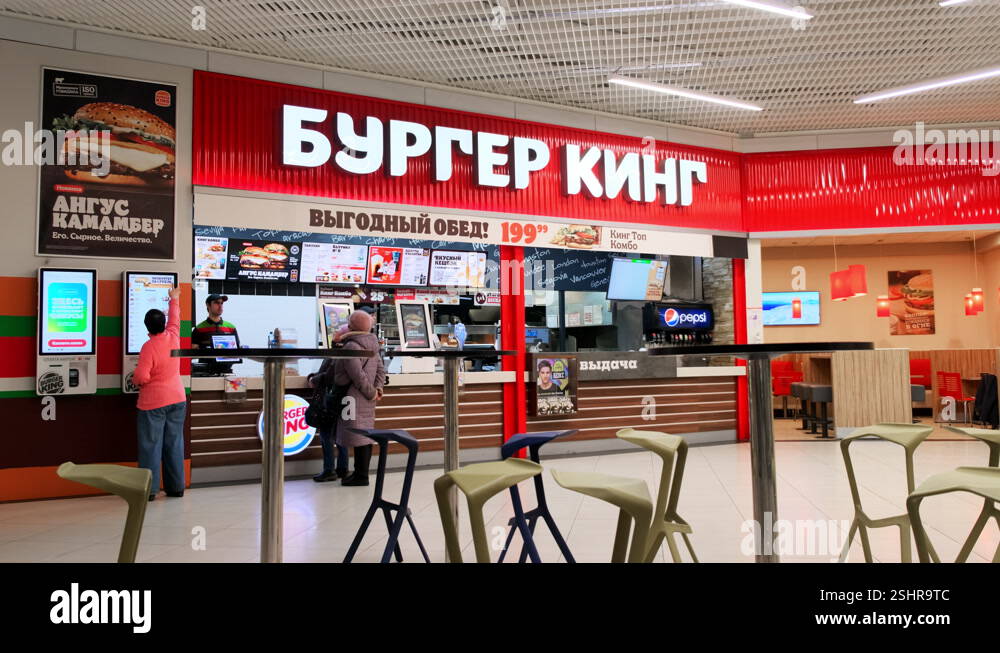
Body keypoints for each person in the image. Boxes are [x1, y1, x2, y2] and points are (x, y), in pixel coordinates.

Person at [134, 286, 187, 501]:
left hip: (153, 403)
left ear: (146, 326)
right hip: (178, 398)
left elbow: (142, 377)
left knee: (151, 446)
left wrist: (134, 379)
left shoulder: (148, 347)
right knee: (174, 443)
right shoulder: (174, 336)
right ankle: (176, 488)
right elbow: (175, 318)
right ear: (163, 324)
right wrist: (174, 299)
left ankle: (150, 490)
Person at [334, 310, 385, 486]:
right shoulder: (373, 346)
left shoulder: (351, 346)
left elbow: (357, 375)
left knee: (357, 436)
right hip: (368, 399)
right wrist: (377, 390)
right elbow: (380, 370)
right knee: (366, 434)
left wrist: (370, 391)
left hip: (353, 398)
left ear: (351, 326)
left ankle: (360, 475)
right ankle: (361, 473)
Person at [308, 325, 350, 482]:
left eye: (337, 333)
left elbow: (330, 375)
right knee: (340, 436)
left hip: (331, 400)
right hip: (341, 400)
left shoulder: (337, 353)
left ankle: (329, 469)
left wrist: (314, 379)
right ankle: (342, 468)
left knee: (326, 436)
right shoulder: (347, 352)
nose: (334, 335)